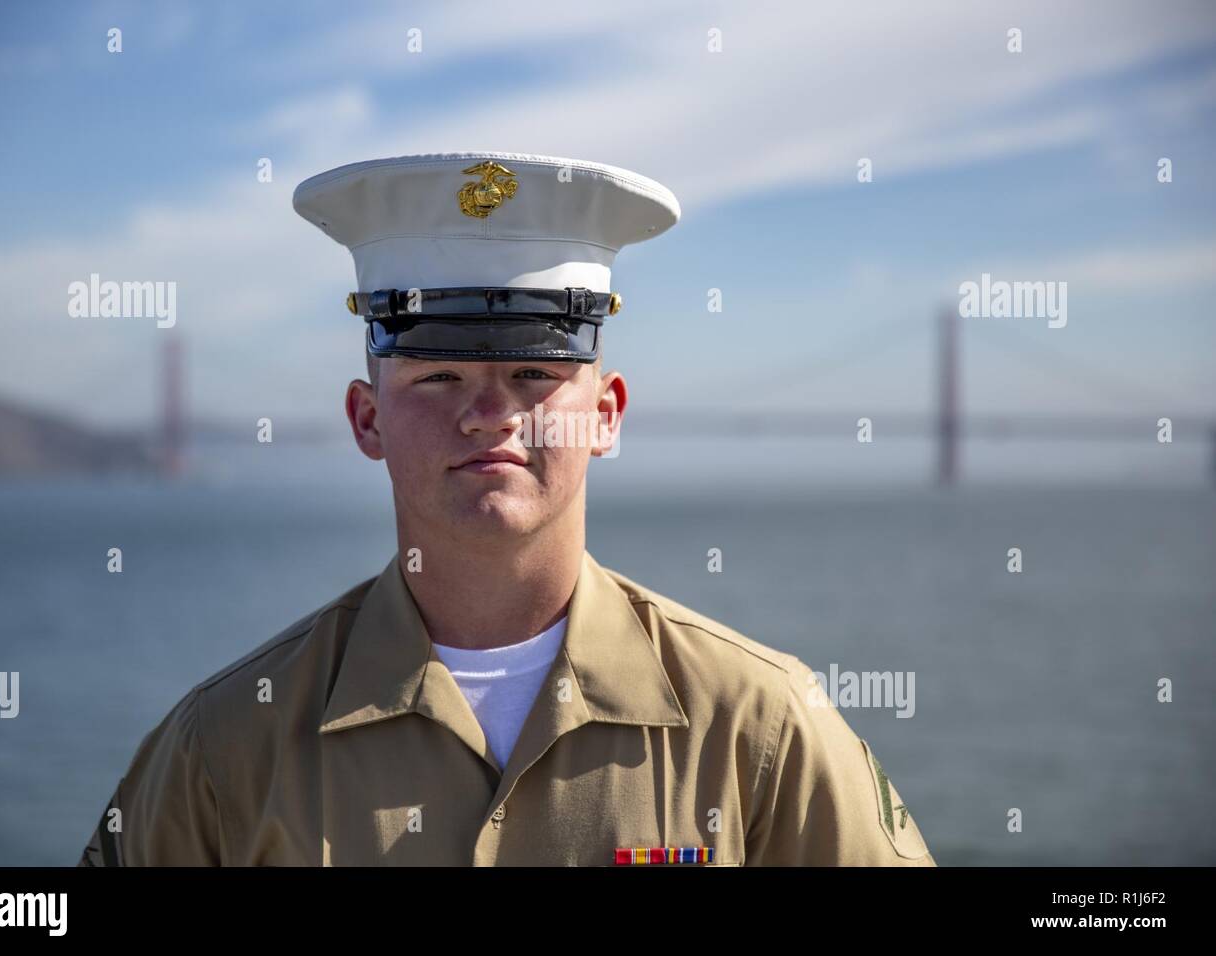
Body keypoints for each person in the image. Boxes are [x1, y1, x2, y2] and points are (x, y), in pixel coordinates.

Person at [78, 151, 934, 866]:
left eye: (534, 375)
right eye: (439, 376)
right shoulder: (224, 748)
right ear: (366, 419)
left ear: (607, 416)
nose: (490, 413)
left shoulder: (760, 728)